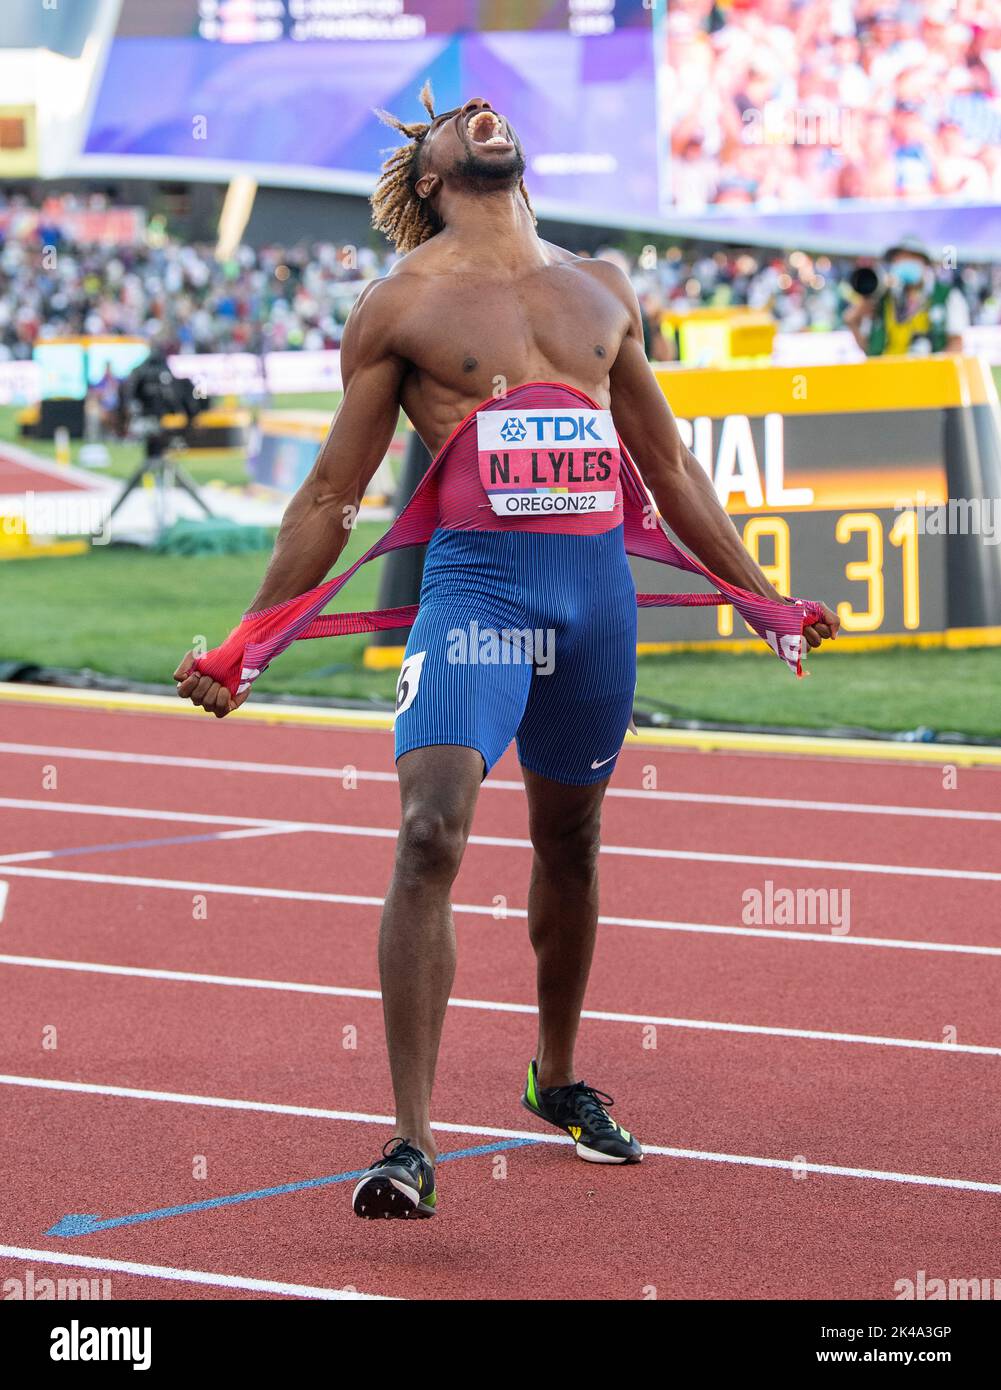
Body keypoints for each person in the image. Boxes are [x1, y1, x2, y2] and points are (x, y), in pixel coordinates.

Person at [174, 86, 838, 1221]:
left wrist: (757, 597)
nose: (477, 107)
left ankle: (557, 1075)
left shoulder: (603, 290)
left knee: (569, 843)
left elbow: (668, 469)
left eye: (485, 105)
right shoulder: (400, 304)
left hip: (595, 603)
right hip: (475, 594)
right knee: (429, 831)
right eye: (450, 118)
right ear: (430, 177)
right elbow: (333, 494)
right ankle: (409, 1141)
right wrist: (252, 636)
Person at [845, 235, 969, 356]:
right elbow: (870, 349)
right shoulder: (881, 298)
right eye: (899, 258)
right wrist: (853, 323)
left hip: (928, 373)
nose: (904, 262)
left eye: (911, 257)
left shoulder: (946, 295)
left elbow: (956, 343)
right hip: (888, 374)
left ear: (925, 263)